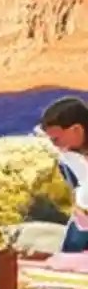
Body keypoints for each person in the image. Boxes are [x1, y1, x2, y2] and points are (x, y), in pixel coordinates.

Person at [37, 97, 88, 252]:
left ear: (77, 130)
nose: (55, 145)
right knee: (72, 245)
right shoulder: (67, 157)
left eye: (56, 139)